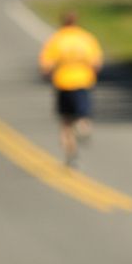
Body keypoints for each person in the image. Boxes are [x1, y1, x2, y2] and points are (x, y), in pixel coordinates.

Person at [38, 11, 104, 166]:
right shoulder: (85, 38)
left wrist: (47, 75)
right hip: (82, 81)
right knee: (82, 113)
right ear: (76, 21)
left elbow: (46, 64)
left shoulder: (57, 39)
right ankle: (83, 126)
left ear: (62, 22)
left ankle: (69, 150)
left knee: (65, 121)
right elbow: (96, 62)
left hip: (63, 82)